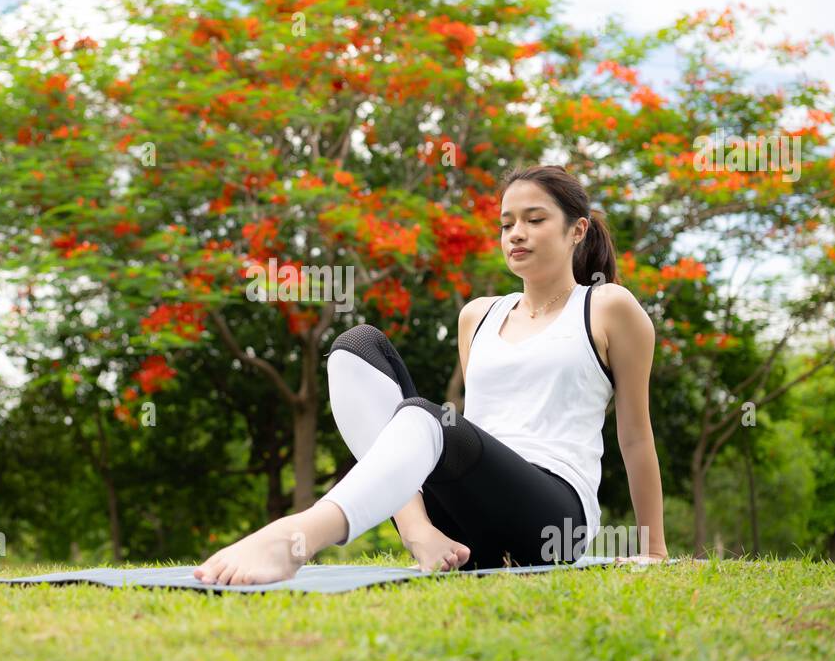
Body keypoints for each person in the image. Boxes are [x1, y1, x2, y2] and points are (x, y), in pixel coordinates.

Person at [193, 164, 668, 585]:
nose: (516, 234)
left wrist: (653, 550)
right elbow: (472, 429)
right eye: (506, 224)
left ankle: (296, 537)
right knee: (354, 348)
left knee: (428, 417)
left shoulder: (607, 307)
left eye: (535, 220)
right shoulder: (477, 316)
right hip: (461, 524)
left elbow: (636, 438)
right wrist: (422, 520)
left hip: (550, 522)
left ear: (577, 230)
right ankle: (421, 535)